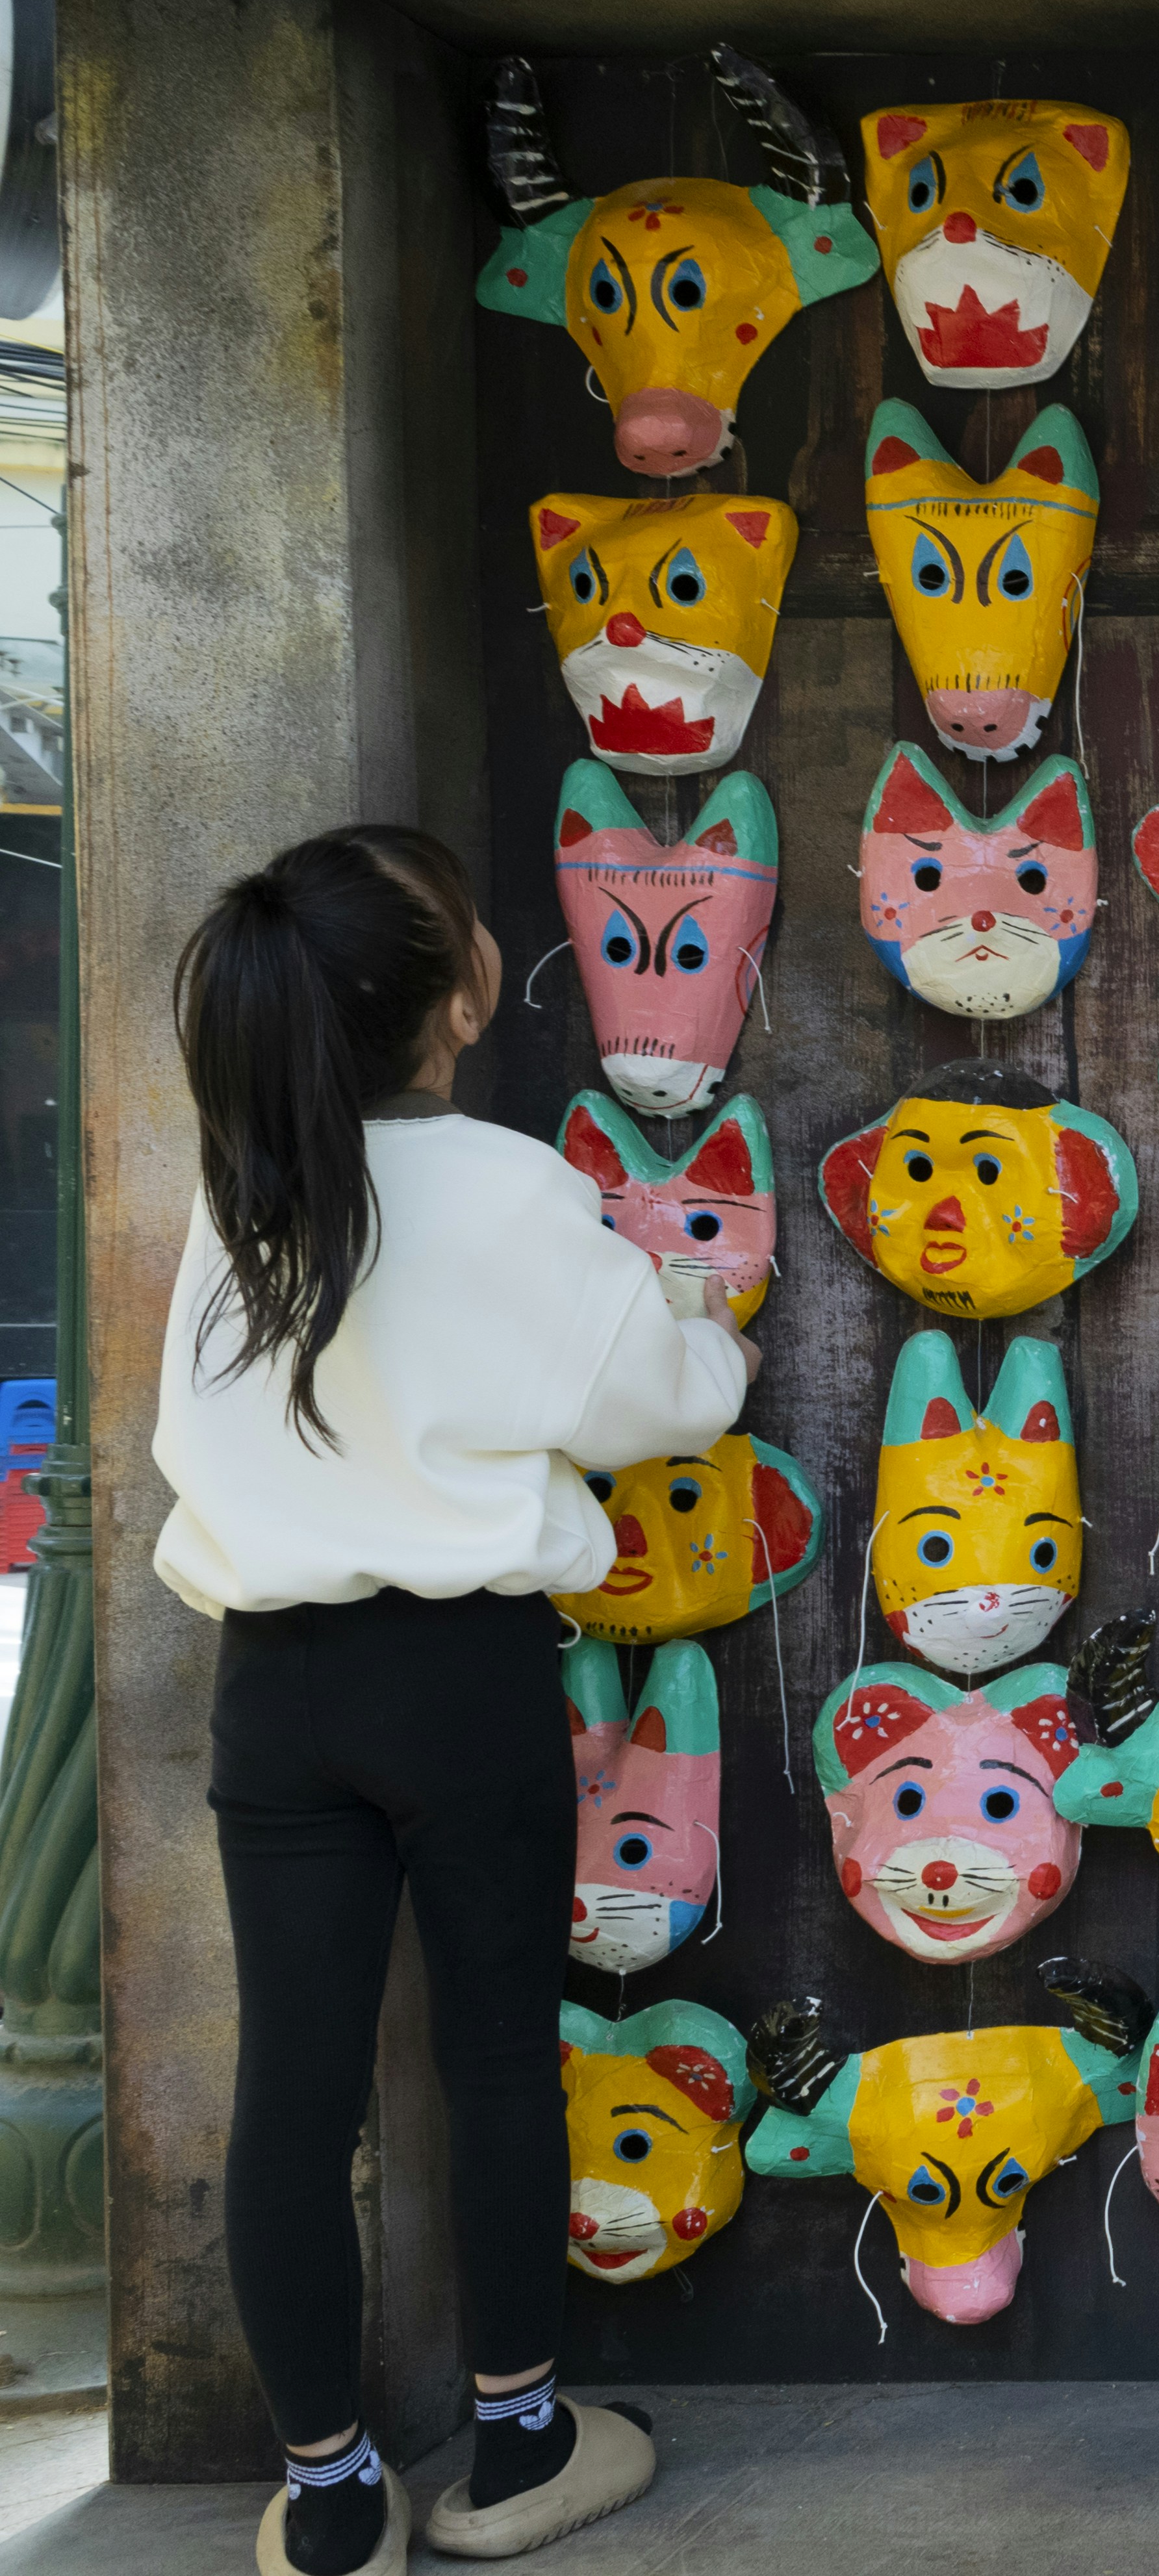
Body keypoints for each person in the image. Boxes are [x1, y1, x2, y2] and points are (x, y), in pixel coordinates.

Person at [153, 828, 757, 2576]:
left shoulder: (241, 1192)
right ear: (453, 994)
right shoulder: (507, 1188)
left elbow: (201, 1439)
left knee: (294, 2087)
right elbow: (661, 1400)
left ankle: (334, 2497)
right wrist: (703, 1317)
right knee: (499, 2061)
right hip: (460, 1672)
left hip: (275, 1692)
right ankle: (518, 2444)